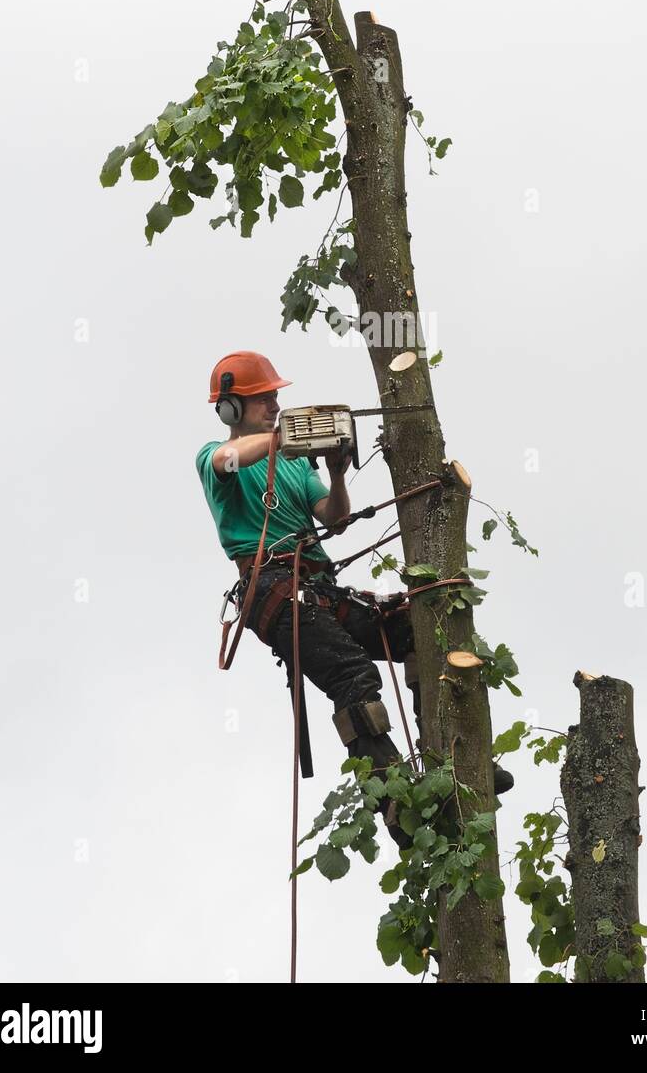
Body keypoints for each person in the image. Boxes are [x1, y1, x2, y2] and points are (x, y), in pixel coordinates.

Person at [195, 350, 511, 848]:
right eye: (265, 399)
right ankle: (392, 799)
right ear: (232, 408)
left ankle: (451, 757)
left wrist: (337, 472)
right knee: (352, 675)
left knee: (414, 624)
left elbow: (334, 518)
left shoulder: (297, 470)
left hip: (319, 587)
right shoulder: (217, 455)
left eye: (277, 396)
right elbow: (227, 459)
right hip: (274, 591)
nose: (276, 404)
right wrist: (279, 442)